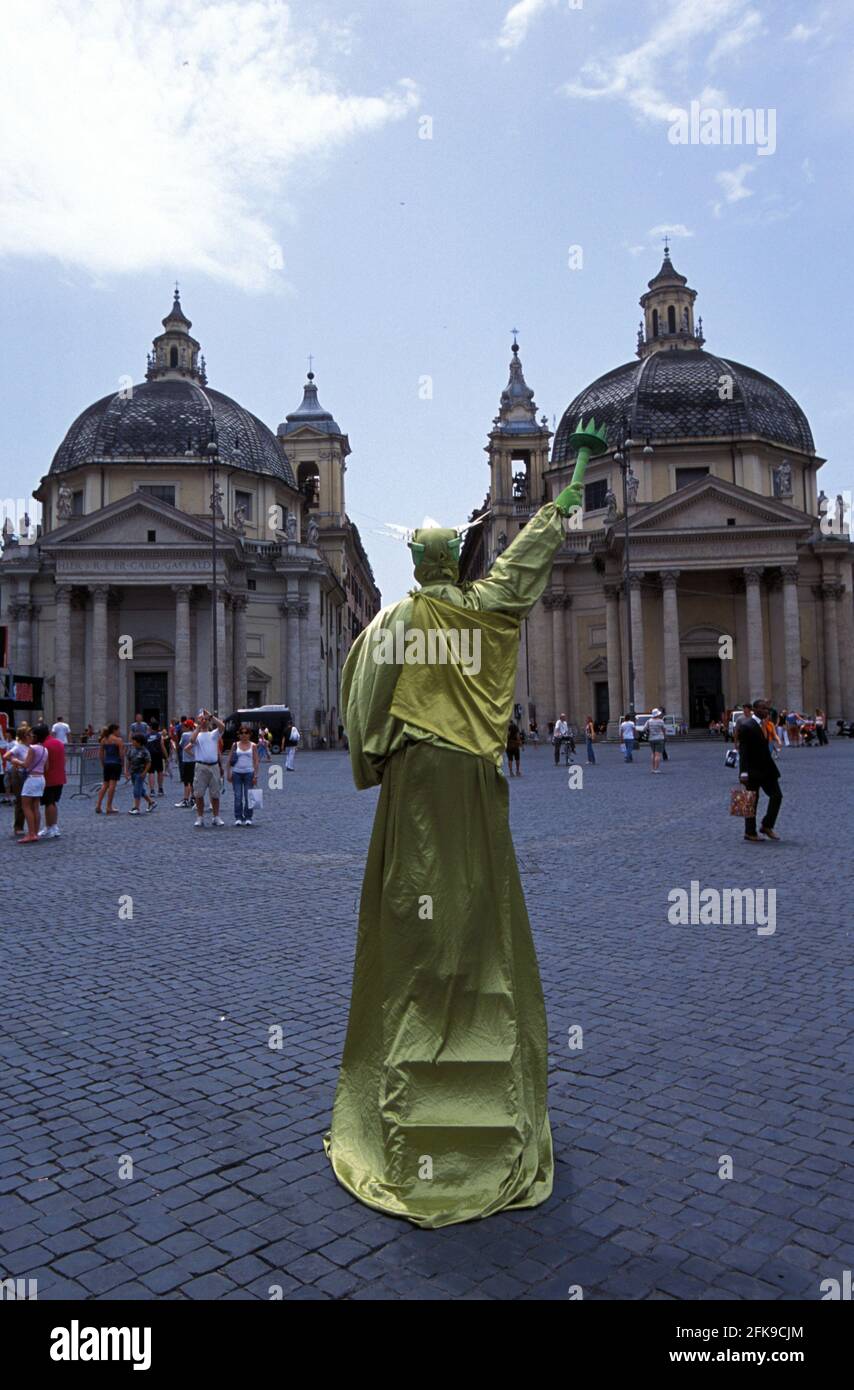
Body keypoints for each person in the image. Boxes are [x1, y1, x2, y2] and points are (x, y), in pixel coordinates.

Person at [325, 455, 602, 1228]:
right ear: (457, 559)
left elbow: (365, 708)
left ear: (417, 564)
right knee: (483, 925)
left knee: (414, 932)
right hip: (478, 788)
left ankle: (410, 1095)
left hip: (417, 787)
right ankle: (492, 1094)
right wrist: (560, 501)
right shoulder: (485, 609)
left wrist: (377, 754)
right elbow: (522, 567)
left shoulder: (397, 622)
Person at [737, 698, 783, 842]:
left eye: (767, 709)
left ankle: (766, 825)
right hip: (752, 770)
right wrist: (743, 772)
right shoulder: (747, 726)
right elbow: (743, 751)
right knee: (751, 801)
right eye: (763, 709)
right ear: (755, 710)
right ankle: (750, 832)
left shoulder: (767, 724)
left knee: (777, 796)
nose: (766, 711)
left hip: (767, 769)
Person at [188, 710, 225, 827]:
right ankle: (200, 817)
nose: (204, 721)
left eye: (205, 719)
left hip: (213, 766)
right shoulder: (197, 734)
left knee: (215, 793)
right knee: (199, 793)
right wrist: (198, 726)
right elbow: (191, 741)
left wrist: (211, 717)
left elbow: (222, 726)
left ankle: (216, 816)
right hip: (201, 766)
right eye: (201, 719)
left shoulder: (214, 734)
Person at [18, 724, 49, 843]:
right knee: (35, 807)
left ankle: (31, 834)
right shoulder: (45, 749)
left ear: (35, 736)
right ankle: (35, 832)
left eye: (30, 734)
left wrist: (16, 761)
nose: (28, 737)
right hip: (41, 779)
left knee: (26, 806)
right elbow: (46, 767)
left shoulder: (33, 748)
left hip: (31, 779)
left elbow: (25, 765)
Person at [38, 722, 67, 839]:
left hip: (49, 777)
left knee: (49, 802)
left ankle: (53, 826)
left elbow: (45, 763)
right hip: (60, 776)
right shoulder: (58, 743)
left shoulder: (45, 745)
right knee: (51, 802)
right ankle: (49, 826)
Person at [227, 723, 260, 825]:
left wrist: (256, 775)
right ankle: (238, 817)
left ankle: (248, 817)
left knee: (248, 796)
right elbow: (229, 760)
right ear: (239, 734)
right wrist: (228, 773)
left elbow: (256, 761)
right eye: (242, 733)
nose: (244, 735)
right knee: (238, 796)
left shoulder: (253, 745)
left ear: (249, 734)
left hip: (249, 773)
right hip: (236, 773)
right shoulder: (235, 745)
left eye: (246, 733)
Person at [6, 724, 31, 837]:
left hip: (30, 776)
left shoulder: (32, 746)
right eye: (29, 734)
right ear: (23, 736)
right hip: (19, 775)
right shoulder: (19, 746)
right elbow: (7, 756)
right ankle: (18, 826)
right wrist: (17, 762)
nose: (31, 735)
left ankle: (31, 826)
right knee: (21, 801)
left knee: (30, 802)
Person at [95, 724, 124, 814]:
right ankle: (109, 806)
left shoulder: (104, 740)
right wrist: (122, 764)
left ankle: (98, 805)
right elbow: (121, 754)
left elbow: (100, 754)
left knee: (105, 785)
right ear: (114, 730)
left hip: (107, 763)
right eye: (118, 730)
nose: (119, 732)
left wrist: (103, 763)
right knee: (112, 786)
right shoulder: (118, 740)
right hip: (115, 763)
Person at [127, 734, 156, 814]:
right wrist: (127, 771)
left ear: (139, 742)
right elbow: (129, 760)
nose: (132, 742)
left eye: (133, 740)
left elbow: (148, 762)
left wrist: (144, 772)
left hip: (140, 773)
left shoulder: (145, 751)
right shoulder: (131, 750)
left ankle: (136, 807)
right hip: (133, 772)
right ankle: (151, 802)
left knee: (137, 790)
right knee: (141, 790)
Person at [176, 719, 196, 807]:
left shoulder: (184, 735)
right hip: (194, 760)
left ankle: (185, 799)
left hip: (186, 760)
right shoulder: (196, 734)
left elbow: (181, 744)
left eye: (184, 726)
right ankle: (193, 798)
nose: (182, 728)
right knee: (192, 781)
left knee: (186, 781)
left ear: (187, 727)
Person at [146, 719, 167, 796]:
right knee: (160, 772)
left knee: (151, 772)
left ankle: (152, 790)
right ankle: (160, 789)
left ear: (151, 727)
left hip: (149, 755)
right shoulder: (159, 736)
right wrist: (166, 756)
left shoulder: (147, 736)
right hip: (158, 755)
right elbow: (162, 746)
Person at [646, 707, 666, 773]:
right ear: (657, 714)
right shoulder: (661, 721)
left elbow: (644, 729)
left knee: (653, 754)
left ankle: (652, 768)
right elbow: (663, 729)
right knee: (657, 755)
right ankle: (656, 769)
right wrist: (664, 736)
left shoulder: (649, 721)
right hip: (659, 738)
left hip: (651, 738)